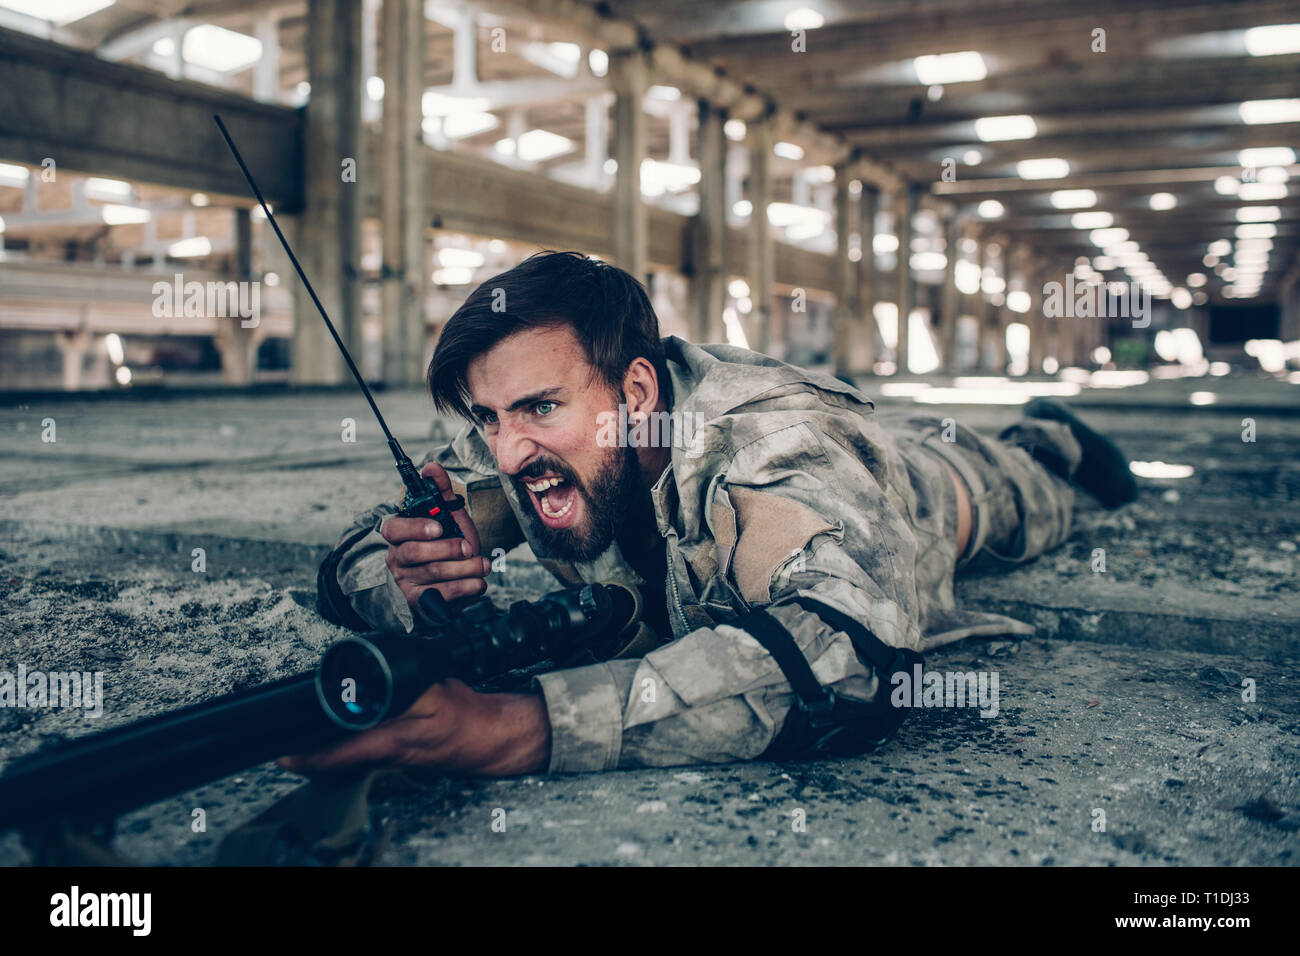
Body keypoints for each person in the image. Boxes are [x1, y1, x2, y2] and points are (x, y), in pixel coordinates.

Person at [286, 251, 1137, 778]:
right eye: (488, 418)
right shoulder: (536, 438)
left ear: (638, 392)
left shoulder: (775, 446)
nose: (507, 452)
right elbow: (354, 559)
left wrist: (523, 728)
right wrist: (422, 578)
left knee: (1028, 493)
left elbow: (852, 662)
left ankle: (1044, 439)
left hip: (935, 491)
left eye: (538, 409)